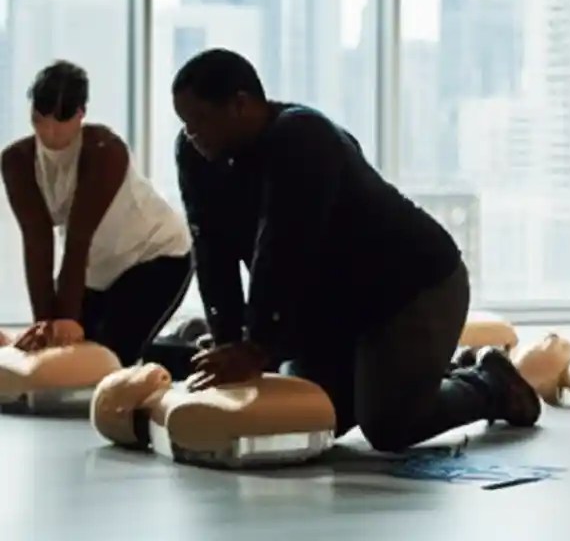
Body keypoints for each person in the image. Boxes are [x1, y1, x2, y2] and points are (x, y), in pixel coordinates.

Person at [170, 48, 539, 452]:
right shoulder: (196, 155)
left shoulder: (302, 137)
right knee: (319, 413)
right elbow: (211, 252)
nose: (192, 134)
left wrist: (256, 347)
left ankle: (488, 383)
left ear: (240, 104)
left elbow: (281, 249)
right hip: (333, 307)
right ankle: (425, 373)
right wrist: (228, 344)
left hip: (409, 291)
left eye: (200, 120)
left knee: (389, 426)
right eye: (185, 124)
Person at [1, 61, 195, 374]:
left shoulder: (105, 149)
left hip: (156, 254)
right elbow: (37, 241)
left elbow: (79, 237)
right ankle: (184, 340)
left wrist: (66, 318)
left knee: (108, 361)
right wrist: (45, 324)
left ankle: (199, 353)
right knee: (71, 352)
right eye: (40, 119)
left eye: (61, 121)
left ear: (81, 114)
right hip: (98, 271)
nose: (49, 131)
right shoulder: (16, 161)